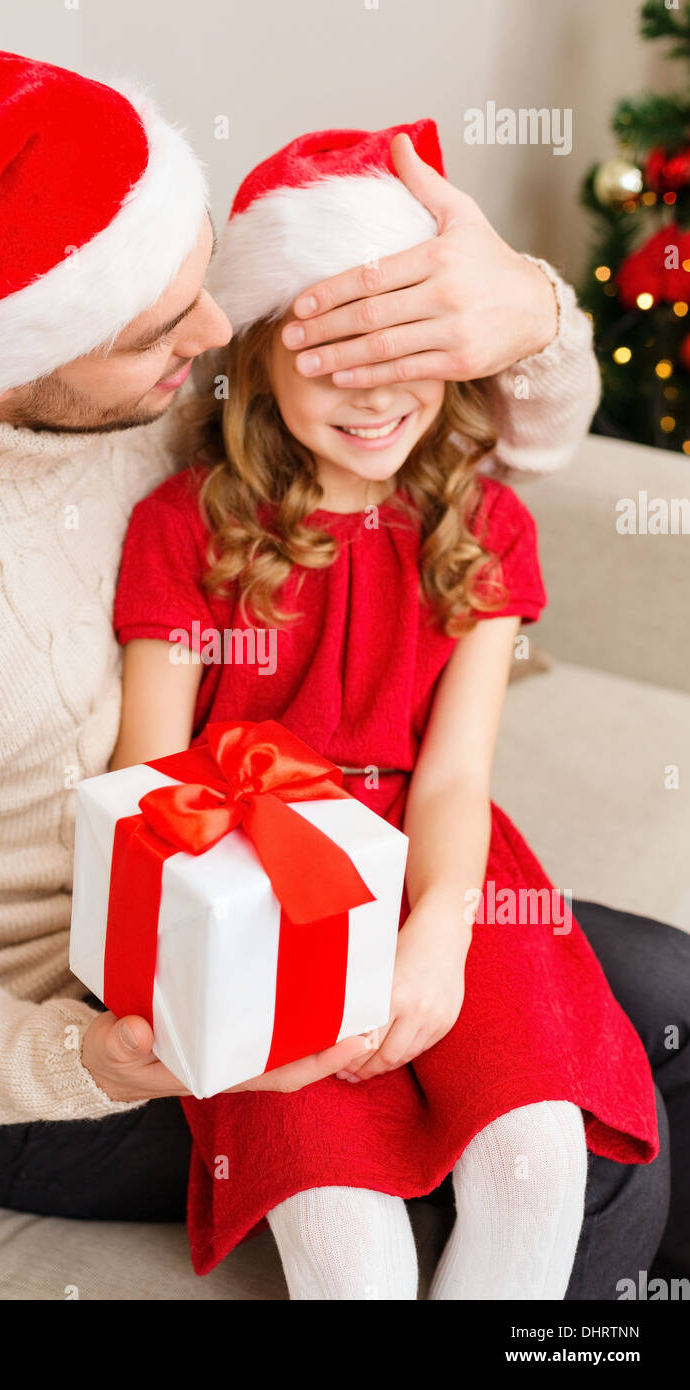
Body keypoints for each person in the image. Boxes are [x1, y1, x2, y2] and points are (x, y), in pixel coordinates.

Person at [0, 39, 683, 1300]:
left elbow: (498, 429)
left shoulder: (161, 394)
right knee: (596, 1152)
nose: (214, 329)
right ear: (25, 359)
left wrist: (529, 305)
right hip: (63, 1028)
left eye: (203, 276)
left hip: (324, 866)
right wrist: (102, 1054)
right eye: (159, 330)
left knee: (666, 1005)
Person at [108, 122, 659, 1299]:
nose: (374, 396)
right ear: (253, 359)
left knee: (533, 1160)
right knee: (343, 1236)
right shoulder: (182, 529)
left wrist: (435, 934)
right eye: (329, 356)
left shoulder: (485, 528)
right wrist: (233, 960)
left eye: (401, 349)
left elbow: (455, 777)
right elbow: (150, 782)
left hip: (438, 861)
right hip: (254, 884)